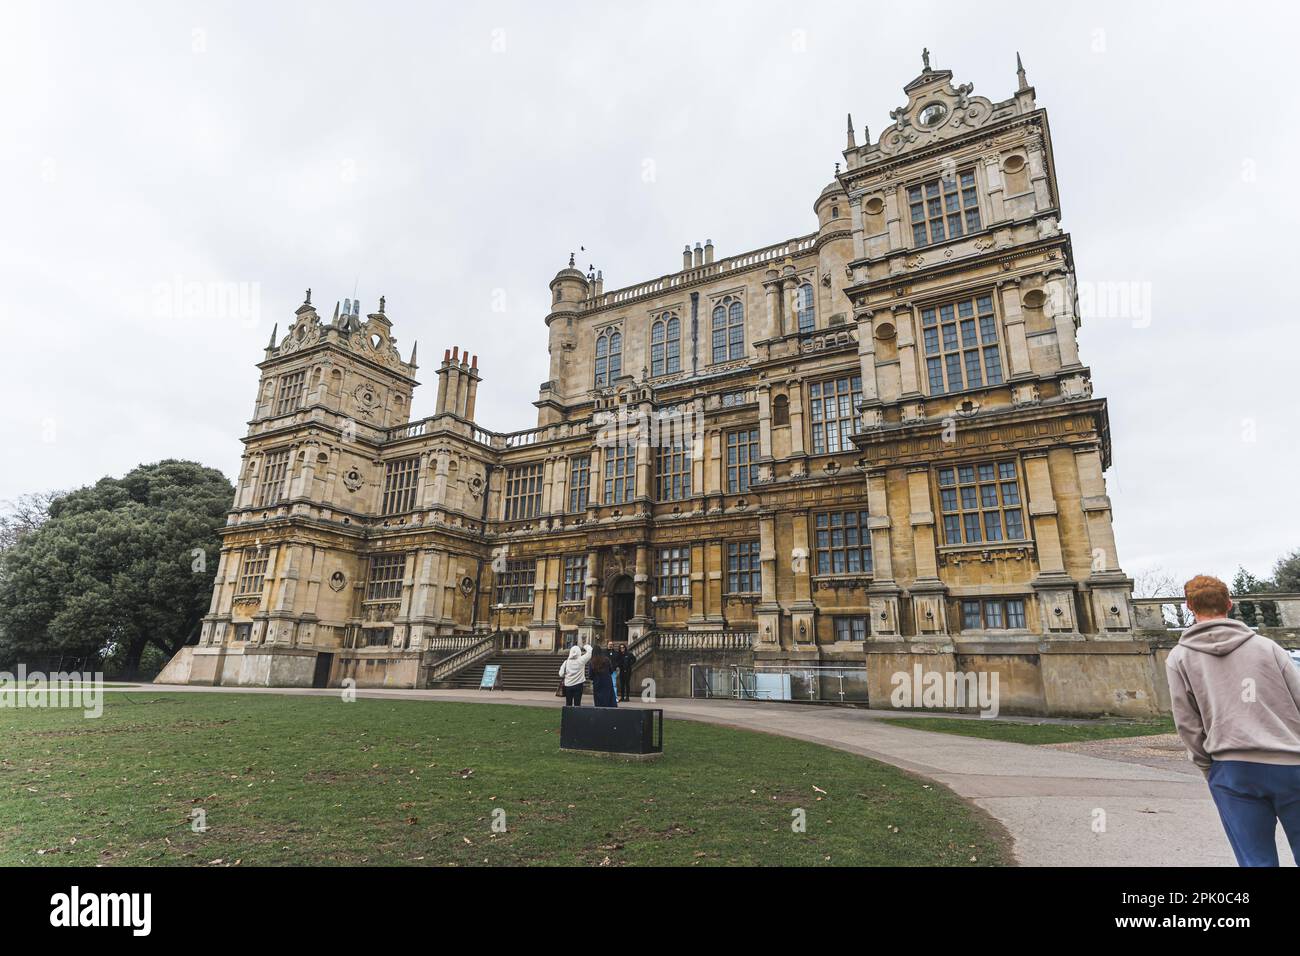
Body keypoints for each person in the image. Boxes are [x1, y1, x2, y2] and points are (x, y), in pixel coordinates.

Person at [1166, 574, 1300, 866]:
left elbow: (1187, 722)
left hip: (1233, 768)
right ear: (1229, 603)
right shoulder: (1267, 648)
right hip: (1292, 763)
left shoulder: (1179, 658)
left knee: (1256, 861)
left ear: (1189, 606)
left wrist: (1206, 765)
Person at [558, 643, 592, 707]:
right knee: (577, 703)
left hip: (568, 685)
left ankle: (568, 716)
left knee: (568, 703)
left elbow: (561, 674)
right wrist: (585, 646)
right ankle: (576, 716)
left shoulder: (566, 662)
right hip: (578, 685)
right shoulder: (581, 660)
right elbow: (590, 652)